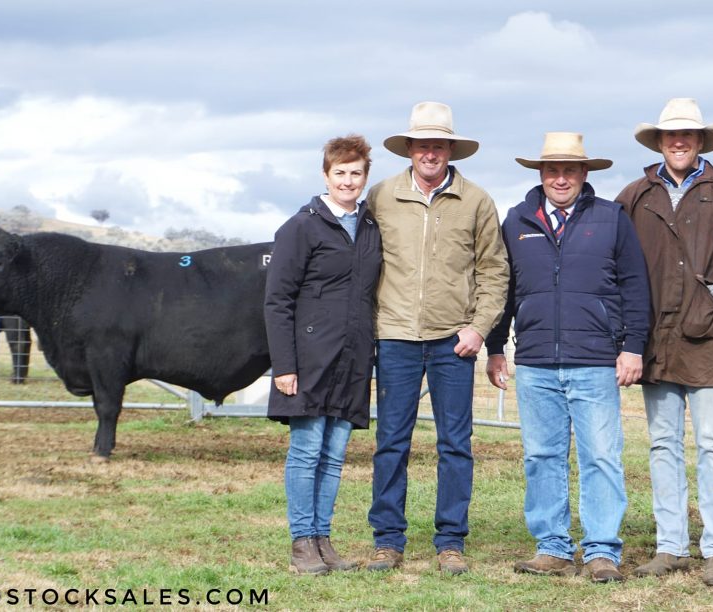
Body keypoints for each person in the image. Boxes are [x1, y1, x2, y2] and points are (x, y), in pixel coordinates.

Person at [615, 98, 713, 586]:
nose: (678, 142)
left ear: (700, 141)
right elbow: (616, 261)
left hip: (709, 338)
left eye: (687, 135)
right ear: (659, 142)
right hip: (655, 338)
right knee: (662, 443)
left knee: (712, 443)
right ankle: (671, 546)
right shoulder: (635, 195)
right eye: (669, 135)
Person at [485, 132, 650, 582]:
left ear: (584, 173)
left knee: (601, 456)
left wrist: (632, 345)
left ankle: (601, 552)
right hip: (536, 360)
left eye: (570, 170)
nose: (561, 178)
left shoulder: (612, 218)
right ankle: (553, 547)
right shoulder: (517, 220)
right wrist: (496, 348)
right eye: (553, 170)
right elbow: (505, 289)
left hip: (596, 359)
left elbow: (634, 287)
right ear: (541, 174)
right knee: (541, 456)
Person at [365, 101, 509, 575]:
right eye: (422, 144)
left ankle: (450, 541)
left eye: (439, 144)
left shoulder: (476, 201)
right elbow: (363, 264)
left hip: (454, 341)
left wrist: (479, 327)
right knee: (391, 441)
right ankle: (388, 540)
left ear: (451, 150)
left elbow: (494, 271)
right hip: (395, 336)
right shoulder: (382, 197)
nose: (430, 152)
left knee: (455, 443)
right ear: (409, 149)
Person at [264, 134, 382, 575]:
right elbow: (277, 300)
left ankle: (322, 541)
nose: (348, 181)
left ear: (365, 177)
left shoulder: (369, 226)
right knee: (307, 450)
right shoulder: (301, 227)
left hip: (352, 355)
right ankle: (301, 544)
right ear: (325, 175)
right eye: (340, 173)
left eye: (356, 173)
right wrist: (285, 365)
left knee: (334, 454)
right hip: (310, 357)